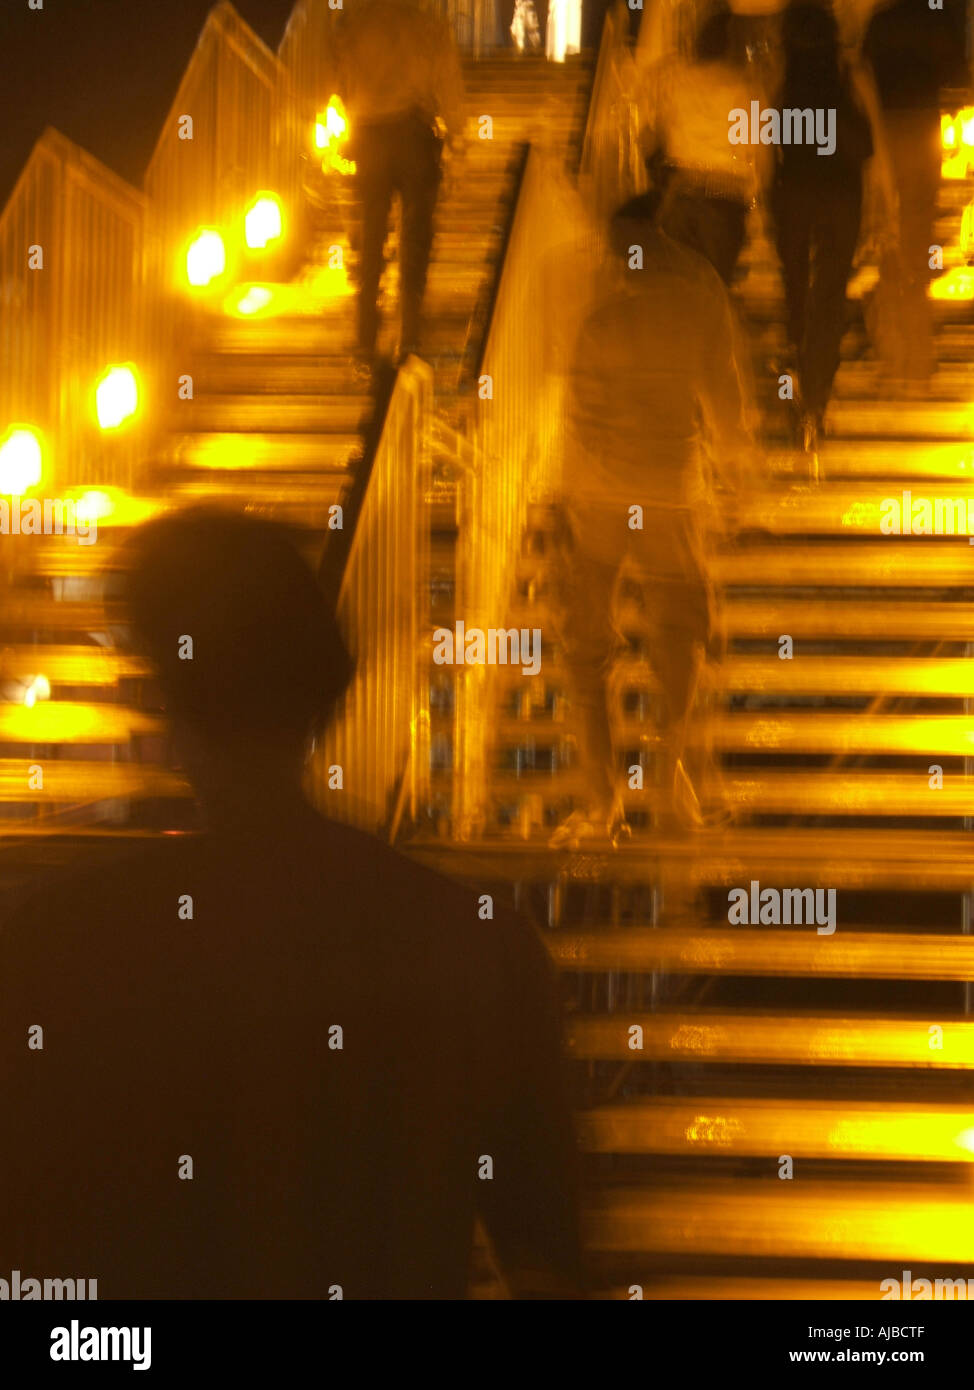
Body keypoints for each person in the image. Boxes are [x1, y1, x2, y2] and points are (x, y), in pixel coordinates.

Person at [0, 507, 583, 1299]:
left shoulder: (53, 944)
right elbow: (545, 1258)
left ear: (157, 698)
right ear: (323, 691)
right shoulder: (478, 948)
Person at [551, 193, 760, 846]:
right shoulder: (696, 292)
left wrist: (563, 493)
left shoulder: (591, 294)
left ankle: (600, 798)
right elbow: (722, 392)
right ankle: (669, 780)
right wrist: (739, 475)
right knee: (681, 634)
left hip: (598, 493)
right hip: (669, 490)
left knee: (586, 647)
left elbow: (569, 404)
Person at [770, 0, 893, 454]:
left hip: (794, 195)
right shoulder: (850, 73)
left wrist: (766, 196)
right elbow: (874, 142)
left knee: (796, 295)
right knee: (829, 295)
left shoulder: (782, 77)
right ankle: (814, 403)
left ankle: (793, 385)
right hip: (841, 196)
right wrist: (886, 198)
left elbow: (767, 141)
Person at [334, 0, 467, 368]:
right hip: (413, 133)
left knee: (372, 233)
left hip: (369, 136)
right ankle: (408, 335)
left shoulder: (355, 21)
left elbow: (342, 78)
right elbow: (448, 81)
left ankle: (364, 337)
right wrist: (457, 139)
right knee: (415, 237)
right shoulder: (428, 25)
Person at [862, 0, 968, 383]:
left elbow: (863, 73)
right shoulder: (934, 20)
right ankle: (919, 350)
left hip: (887, 132)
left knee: (889, 234)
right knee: (919, 231)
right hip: (923, 129)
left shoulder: (881, 21)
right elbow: (957, 71)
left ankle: (892, 351)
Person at [638, 1, 770, 286]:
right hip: (724, 201)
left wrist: (659, 182)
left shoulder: (675, 81)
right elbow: (759, 153)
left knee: (678, 286)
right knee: (715, 289)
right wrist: (760, 206)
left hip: (682, 195)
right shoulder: (744, 89)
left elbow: (647, 138)